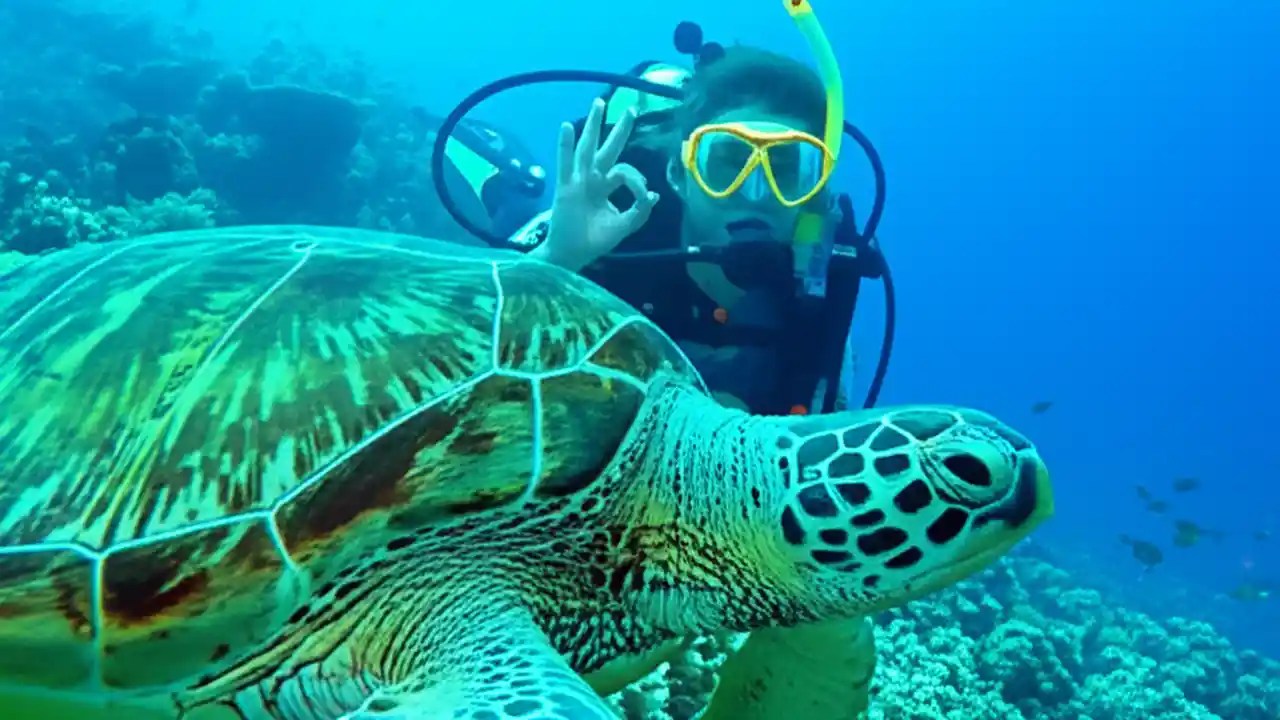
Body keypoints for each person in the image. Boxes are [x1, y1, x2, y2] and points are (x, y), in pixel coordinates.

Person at [431, 24, 889, 417]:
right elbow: (447, 357)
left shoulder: (814, 297)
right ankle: (502, 178)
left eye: (788, 169)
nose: (756, 192)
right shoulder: (612, 237)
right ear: (679, 175)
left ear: (815, 193)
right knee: (515, 211)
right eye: (728, 161)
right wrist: (559, 259)